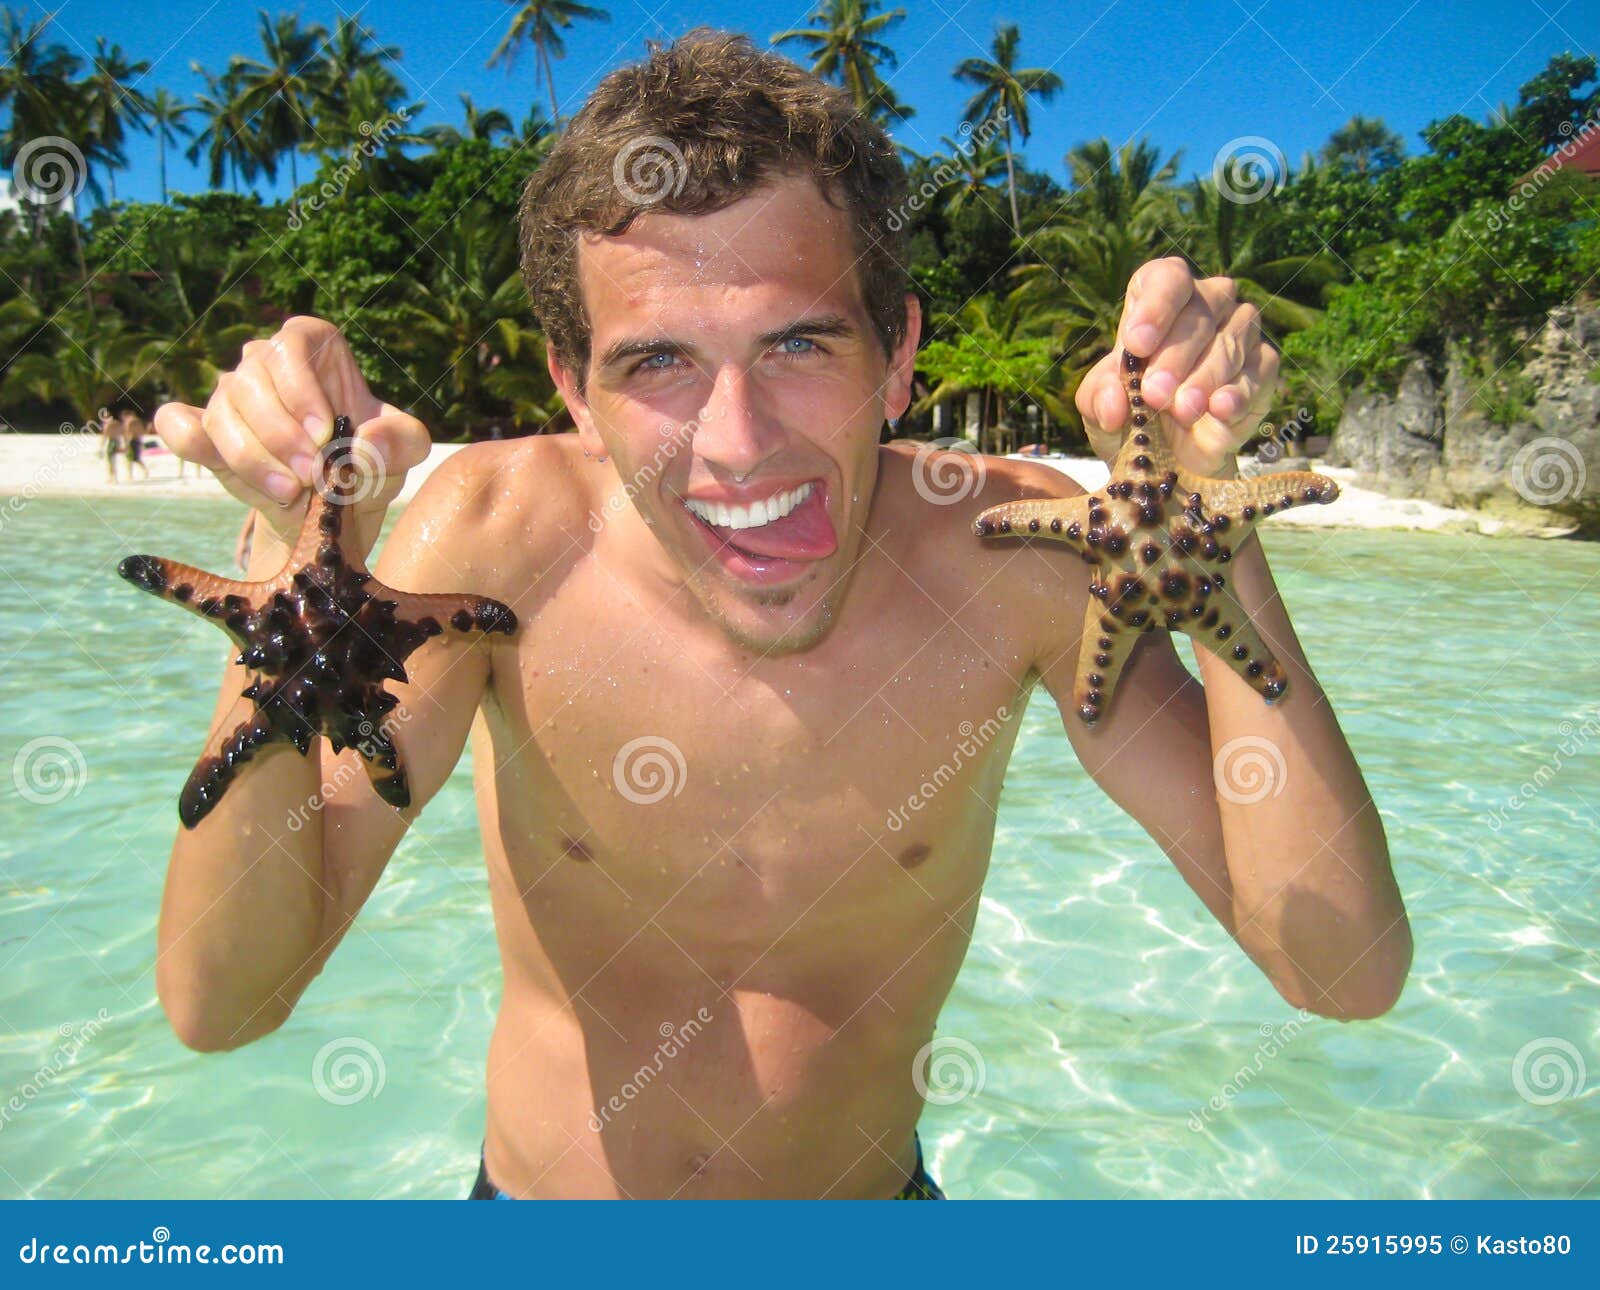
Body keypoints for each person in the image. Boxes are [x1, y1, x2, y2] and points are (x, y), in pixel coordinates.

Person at [147, 29, 1410, 1200]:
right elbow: (226, 996)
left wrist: (1205, 512)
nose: (737, 446)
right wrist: (282, 565)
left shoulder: (1008, 563)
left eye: (800, 346)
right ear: (571, 390)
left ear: (899, 353)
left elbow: (1338, 968)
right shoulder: (494, 550)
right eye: (658, 363)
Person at [122, 408, 150, 481]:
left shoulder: (129, 422)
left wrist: (126, 443)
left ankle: (130, 475)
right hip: (138, 440)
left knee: (129, 459)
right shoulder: (138, 421)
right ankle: (145, 471)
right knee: (136, 459)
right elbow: (142, 431)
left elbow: (128, 432)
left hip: (131, 440)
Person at [100, 408, 123, 483]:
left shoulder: (107, 425)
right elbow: (122, 432)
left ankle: (113, 478)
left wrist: (101, 446)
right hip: (118, 441)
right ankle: (113, 477)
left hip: (111, 442)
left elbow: (105, 436)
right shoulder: (117, 423)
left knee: (110, 461)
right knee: (113, 461)